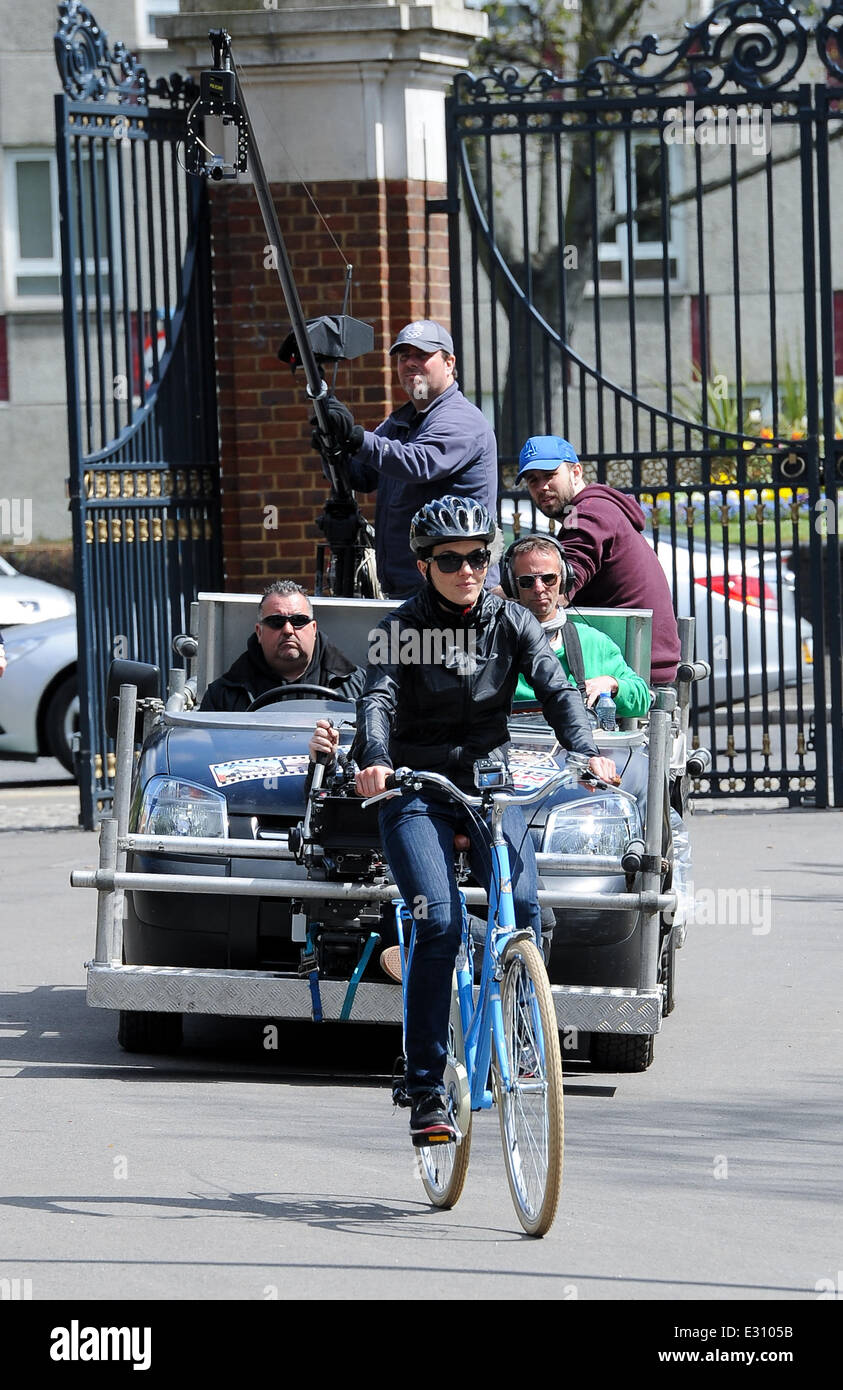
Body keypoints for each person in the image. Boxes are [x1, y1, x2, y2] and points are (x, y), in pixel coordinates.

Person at [310, 495, 616, 1146]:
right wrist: (376, 762)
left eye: (478, 555)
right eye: (450, 560)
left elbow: (556, 688)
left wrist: (585, 750)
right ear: (424, 566)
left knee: (528, 906)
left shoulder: (511, 621)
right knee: (440, 921)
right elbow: (379, 699)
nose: (467, 569)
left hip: (485, 782)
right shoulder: (402, 629)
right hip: (414, 788)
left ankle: (523, 1035)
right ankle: (424, 1087)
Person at [313, 320, 498, 598]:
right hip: (412, 590)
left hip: (458, 590)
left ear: (449, 363)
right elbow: (360, 475)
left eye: (422, 355)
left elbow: (420, 462)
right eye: (403, 357)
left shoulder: (461, 418)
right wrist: (331, 447)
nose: (411, 363)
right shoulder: (401, 421)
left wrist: (356, 438)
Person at [515, 436, 681, 685]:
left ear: (576, 472)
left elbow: (558, 589)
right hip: (635, 661)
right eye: (533, 480)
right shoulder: (590, 510)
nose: (542, 486)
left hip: (629, 672)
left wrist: (501, 591)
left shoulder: (588, 515)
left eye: (549, 475)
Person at [504, 535, 652, 718]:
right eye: (527, 581)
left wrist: (612, 684)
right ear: (512, 585)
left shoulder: (594, 642)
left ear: (564, 580)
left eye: (548, 578)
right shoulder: (492, 640)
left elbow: (642, 699)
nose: (539, 588)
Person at [200, 581, 364, 712]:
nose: (288, 630)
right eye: (276, 622)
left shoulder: (361, 687)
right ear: (259, 632)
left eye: (298, 621)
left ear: (314, 629)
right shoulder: (223, 696)